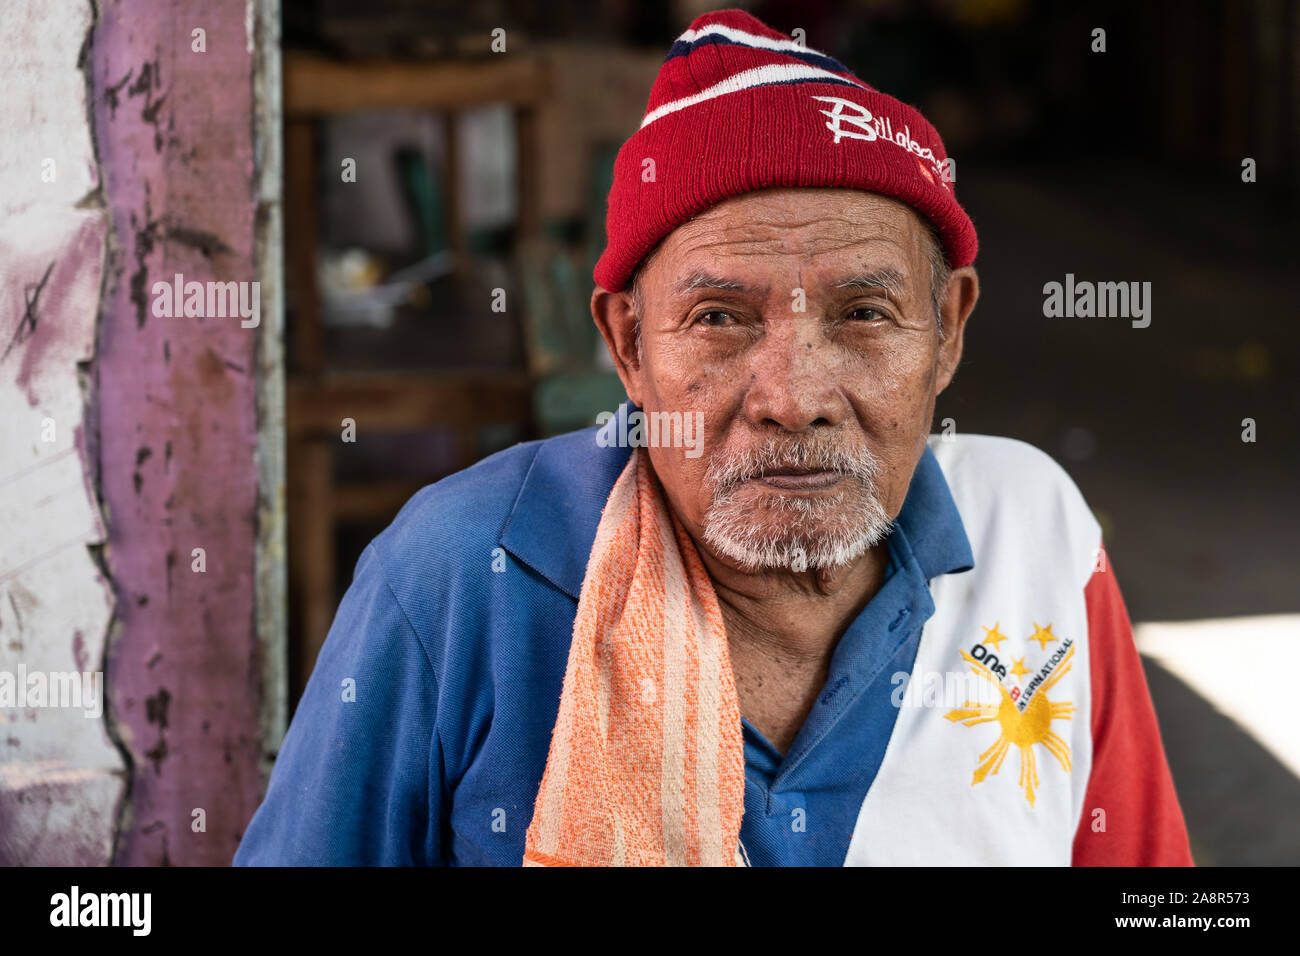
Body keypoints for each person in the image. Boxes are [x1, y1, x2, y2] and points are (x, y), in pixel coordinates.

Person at [235, 8, 1193, 866]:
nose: (793, 397)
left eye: (864, 312)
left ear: (947, 331)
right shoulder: (463, 572)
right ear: (626, 344)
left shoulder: (1036, 534)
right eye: (722, 318)